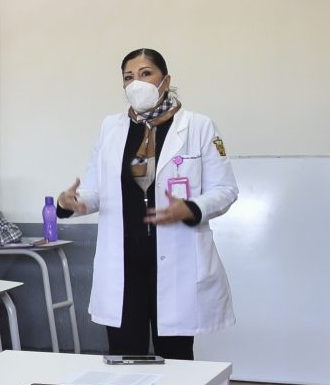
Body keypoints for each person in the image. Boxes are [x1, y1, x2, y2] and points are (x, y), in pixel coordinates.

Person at [57, 48, 237, 359]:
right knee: (126, 357)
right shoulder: (111, 128)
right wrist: (72, 203)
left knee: (176, 356)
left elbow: (225, 190)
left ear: (165, 81)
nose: (136, 82)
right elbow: (94, 190)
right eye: (128, 77)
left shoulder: (198, 127)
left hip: (177, 260)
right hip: (124, 264)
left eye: (145, 73)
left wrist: (191, 208)